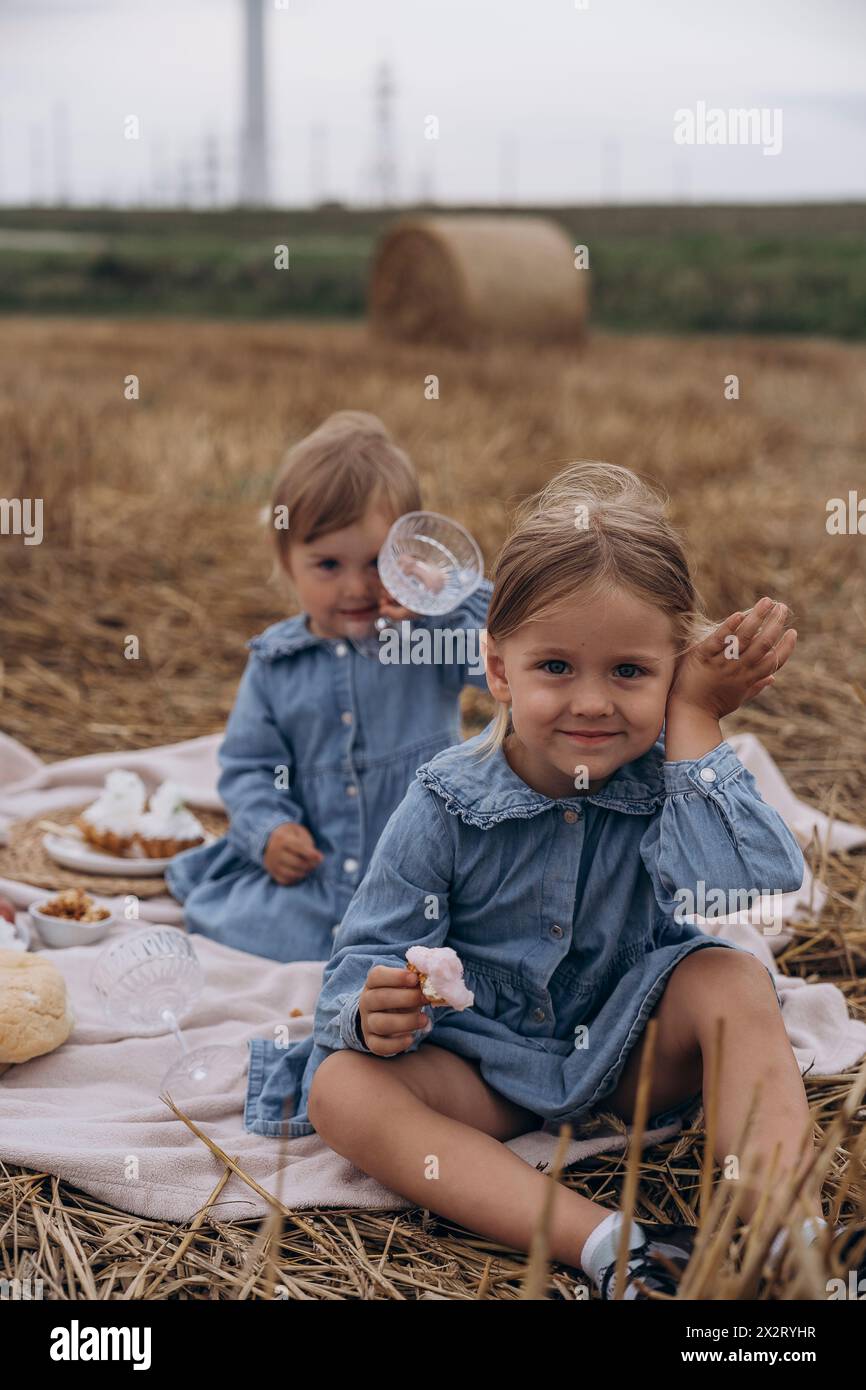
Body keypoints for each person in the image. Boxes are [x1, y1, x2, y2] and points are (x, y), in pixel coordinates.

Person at [243, 459, 865, 1296]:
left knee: (729, 975)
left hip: (631, 1050)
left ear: (672, 670)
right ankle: (622, 1248)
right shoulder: (444, 803)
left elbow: (749, 883)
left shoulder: (663, 775)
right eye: (557, 669)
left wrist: (695, 721)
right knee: (340, 1088)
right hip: (484, 1067)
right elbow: (362, 958)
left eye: (632, 673)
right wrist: (371, 1010)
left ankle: (786, 1233)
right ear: (499, 670)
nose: (594, 703)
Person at [165, 410, 491, 961]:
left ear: (405, 557)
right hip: (317, 878)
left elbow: (510, 659)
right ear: (287, 564)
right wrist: (268, 832)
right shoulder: (275, 664)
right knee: (234, 925)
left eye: (375, 562)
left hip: (424, 874)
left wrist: (450, 595)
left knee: (470, 936)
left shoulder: (426, 637)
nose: (356, 587)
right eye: (327, 564)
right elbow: (247, 768)